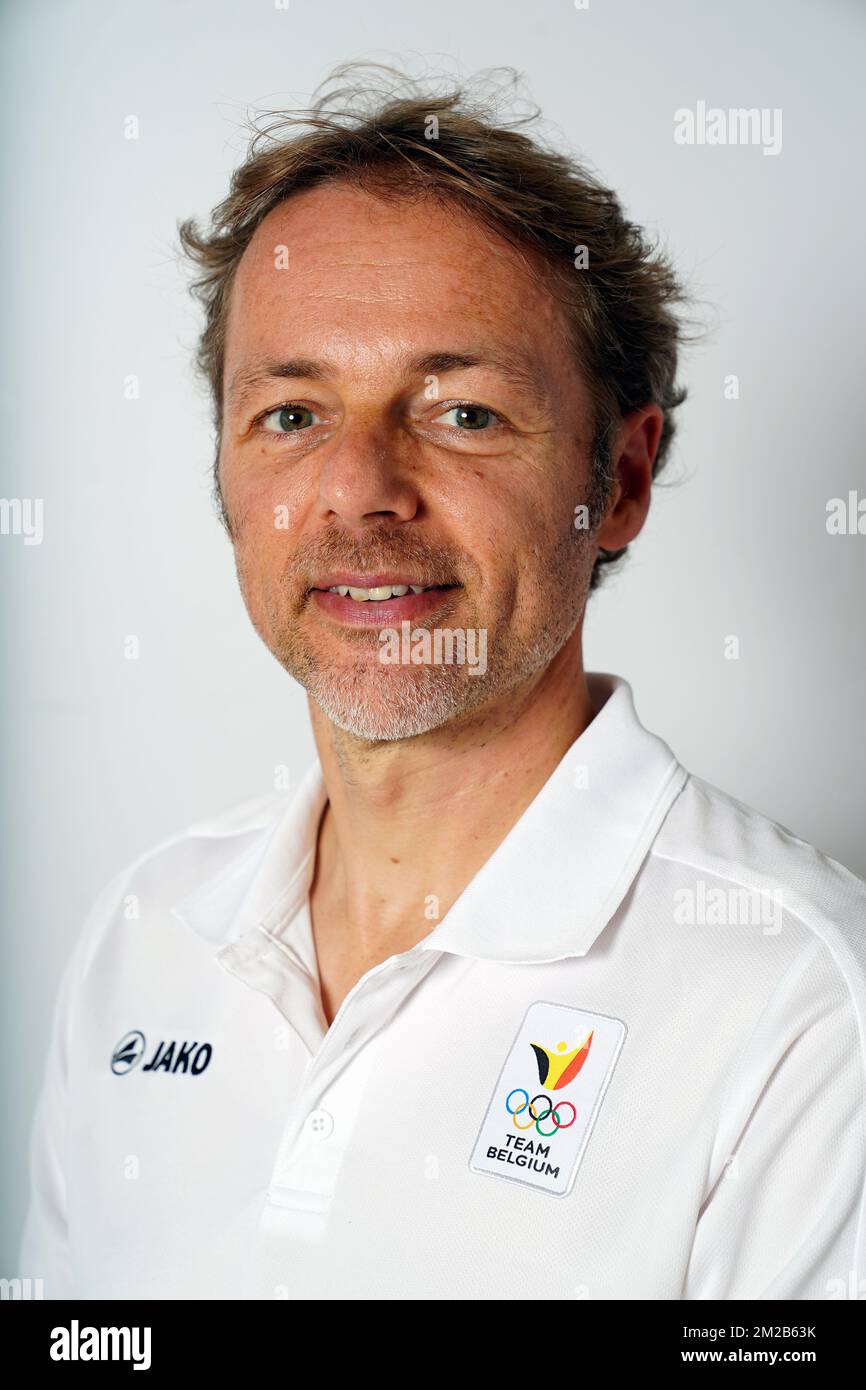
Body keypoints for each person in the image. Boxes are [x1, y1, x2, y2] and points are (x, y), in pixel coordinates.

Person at [18, 63, 866, 1300]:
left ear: (619, 482)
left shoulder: (807, 1006)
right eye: (292, 414)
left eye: (461, 413)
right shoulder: (144, 932)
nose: (360, 490)